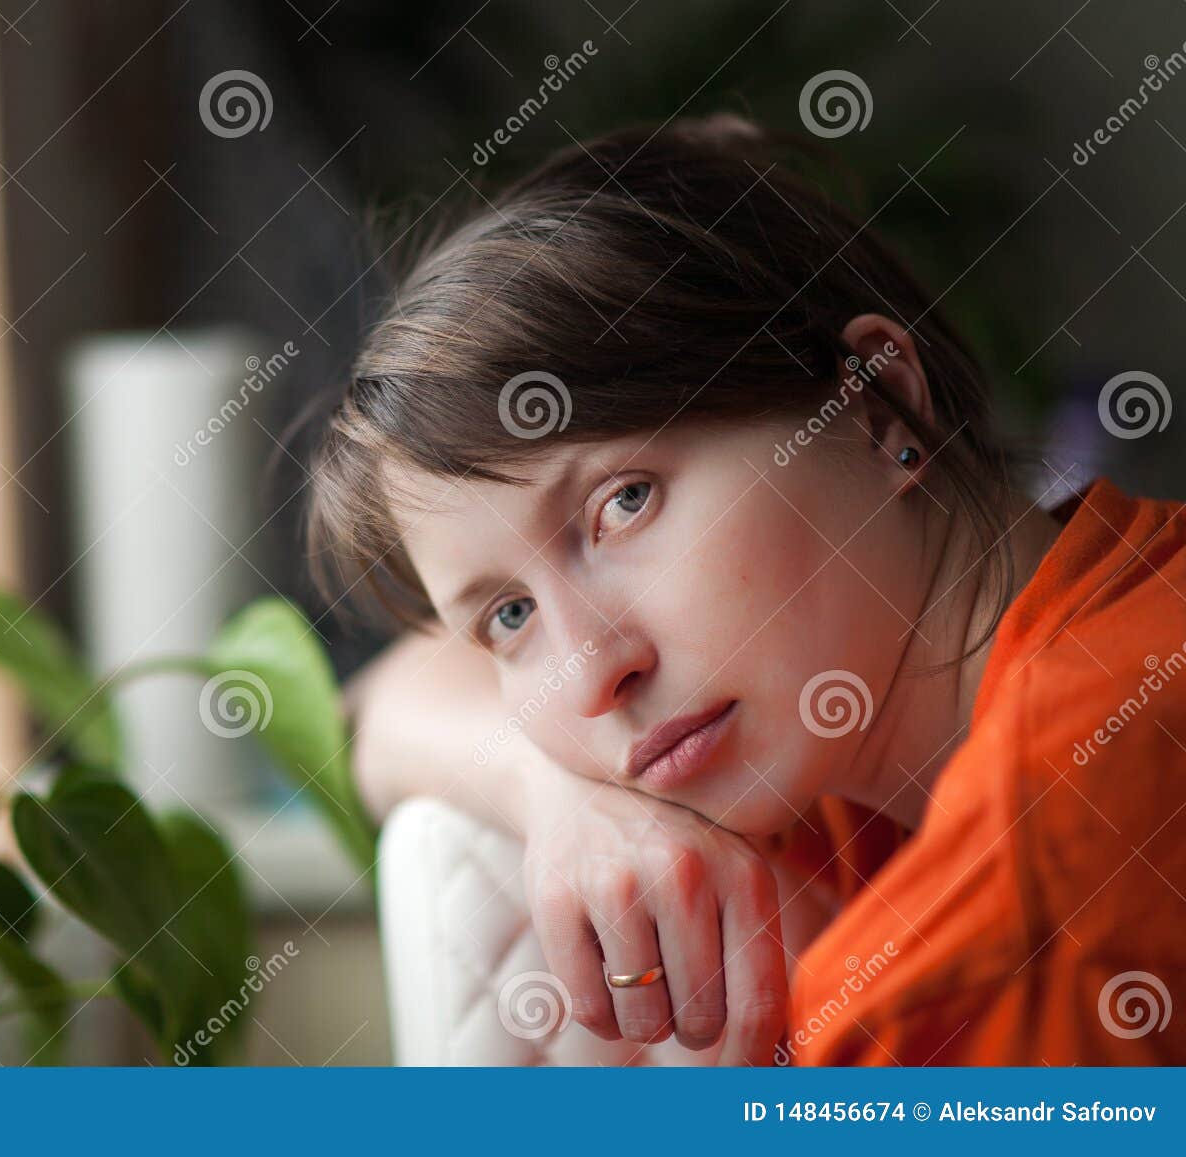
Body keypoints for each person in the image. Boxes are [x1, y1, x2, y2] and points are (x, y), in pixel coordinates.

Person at [301, 115, 1186, 1065]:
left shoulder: (1024, 882)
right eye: (508, 614)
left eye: (624, 503)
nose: (595, 672)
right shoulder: (924, 670)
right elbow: (373, 702)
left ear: (876, 404)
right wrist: (552, 794)